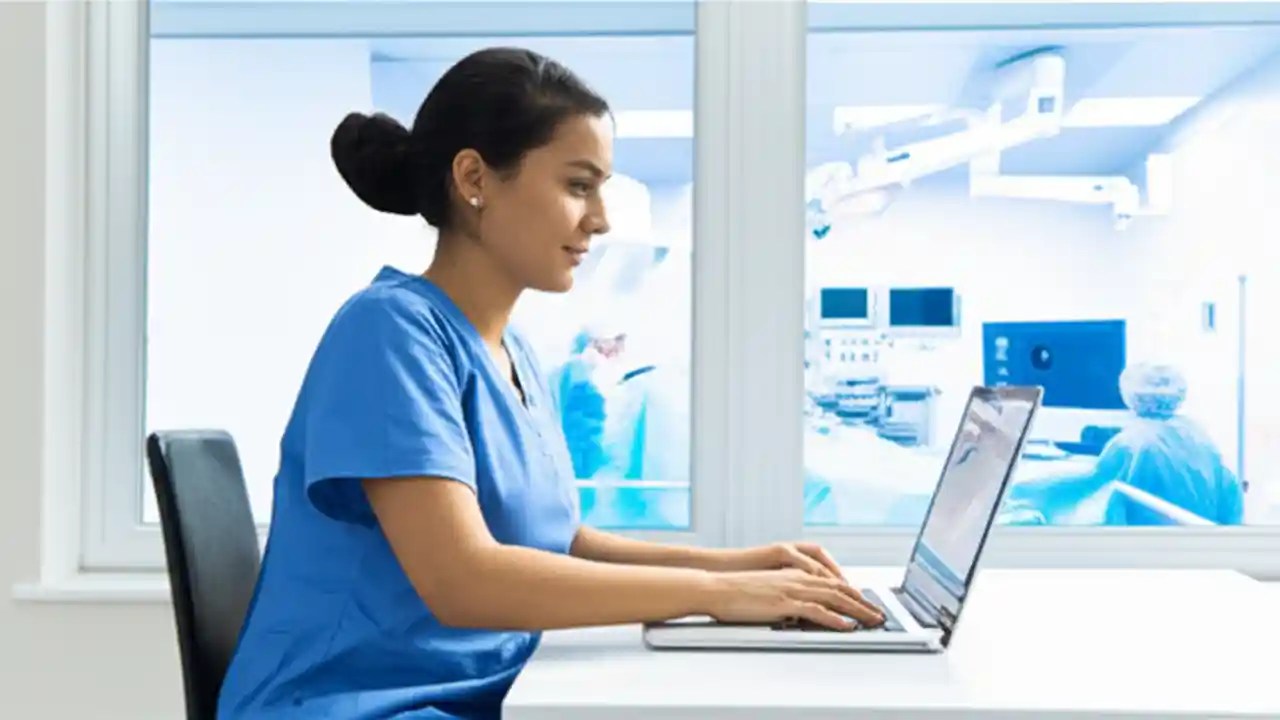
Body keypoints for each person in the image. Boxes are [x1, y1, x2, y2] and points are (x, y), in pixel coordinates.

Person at [216, 47, 882, 720]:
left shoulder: (514, 353)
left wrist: (740, 567)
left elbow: (559, 542)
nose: (601, 218)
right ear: (474, 178)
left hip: (475, 694)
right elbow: (462, 579)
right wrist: (713, 593)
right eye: (578, 186)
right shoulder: (388, 332)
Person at [1096, 362, 1245, 525]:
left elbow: (1102, 506)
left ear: (1128, 395)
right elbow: (1231, 502)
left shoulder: (1127, 444)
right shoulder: (1200, 437)